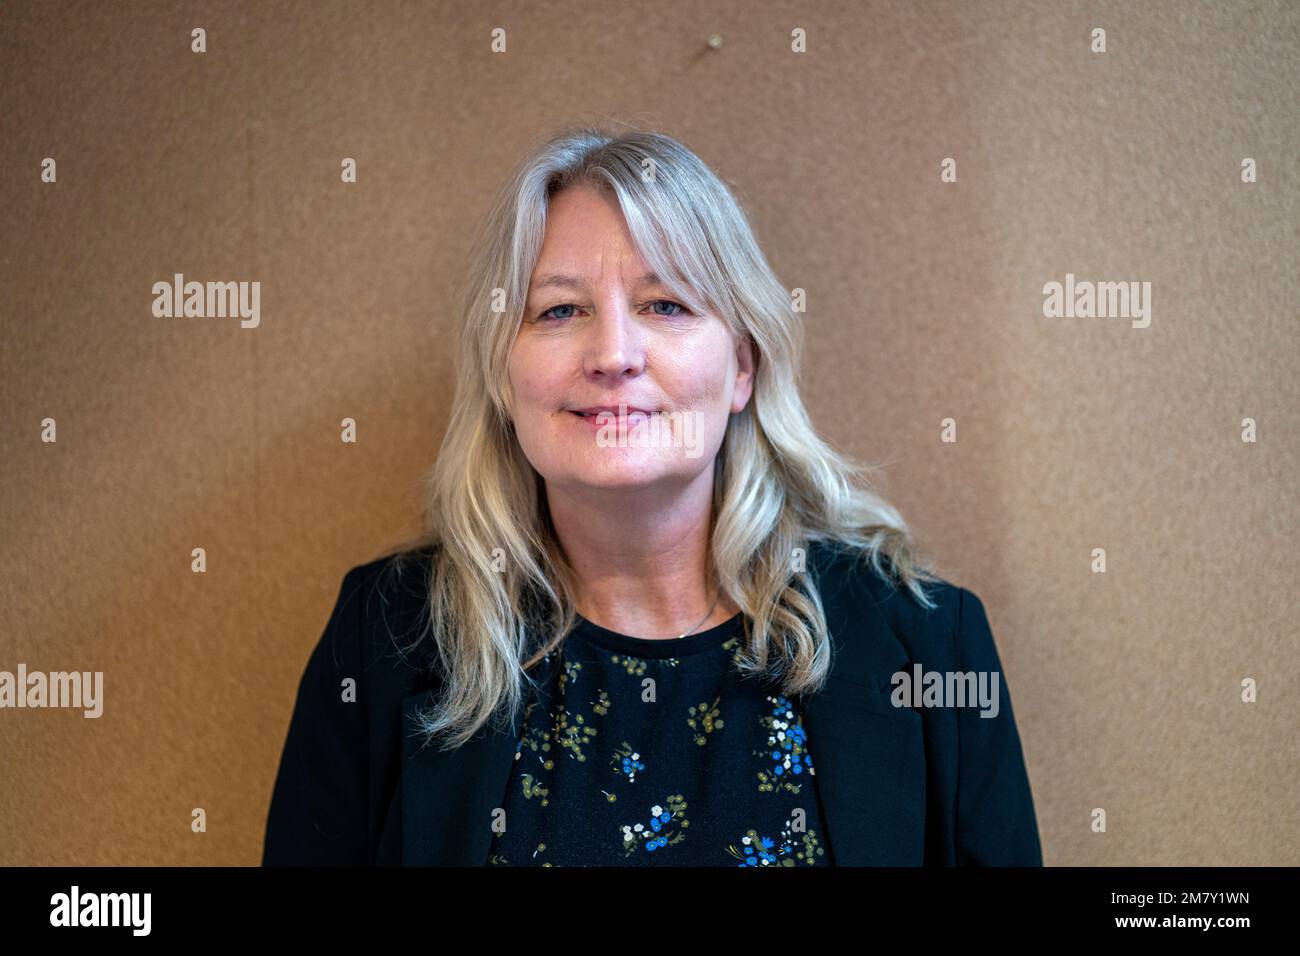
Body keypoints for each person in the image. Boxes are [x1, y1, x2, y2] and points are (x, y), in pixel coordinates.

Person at [262, 124, 1043, 867]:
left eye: (664, 304)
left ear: (743, 365)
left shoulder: (927, 644)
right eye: (560, 310)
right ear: (504, 373)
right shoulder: (386, 637)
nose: (612, 355)